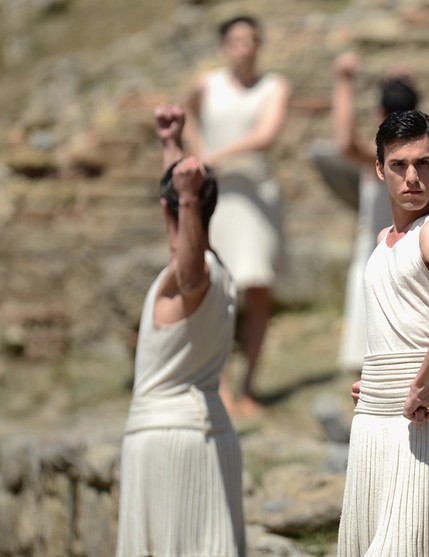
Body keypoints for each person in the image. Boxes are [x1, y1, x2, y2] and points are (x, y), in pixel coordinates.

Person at [337, 110, 429, 556]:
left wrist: (419, 384)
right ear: (380, 168)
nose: (412, 177)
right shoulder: (386, 237)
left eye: (423, 163)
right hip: (381, 417)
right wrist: (383, 379)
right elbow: (404, 323)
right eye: (399, 165)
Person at [116, 104, 245, 557]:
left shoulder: (194, 278)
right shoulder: (221, 270)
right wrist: (171, 145)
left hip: (170, 443)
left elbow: (188, 270)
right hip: (208, 434)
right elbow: (182, 244)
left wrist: (184, 198)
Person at [183, 15, 292, 415]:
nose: (244, 47)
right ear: (224, 46)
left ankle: (248, 388)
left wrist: (215, 154)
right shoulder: (207, 84)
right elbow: (184, 112)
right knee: (217, 288)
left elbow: (267, 136)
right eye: (237, 40)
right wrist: (197, 150)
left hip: (257, 195)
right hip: (218, 196)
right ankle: (221, 386)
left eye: (251, 40)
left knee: (259, 289)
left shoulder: (274, 85)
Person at [331, 51, 420, 376]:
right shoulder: (425, 159)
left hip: (376, 262)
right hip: (413, 266)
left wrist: (343, 81)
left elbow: (343, 143)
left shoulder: (382, 159)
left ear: (378, 112)